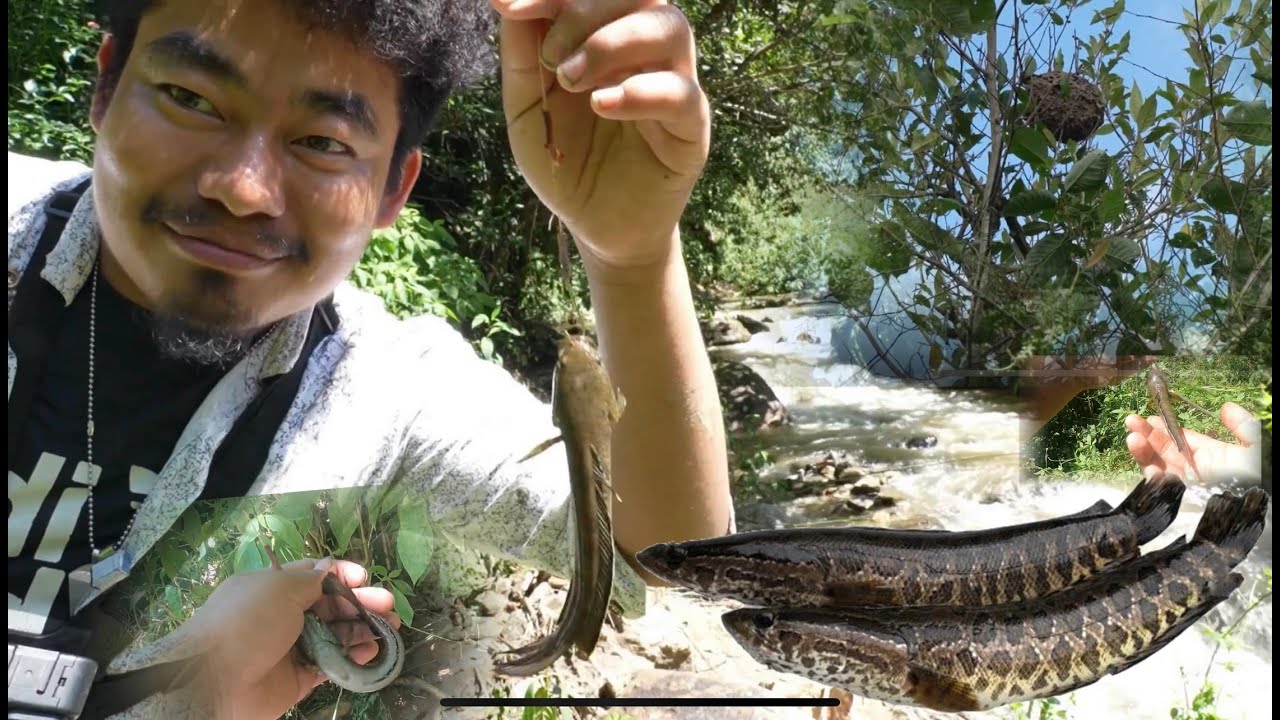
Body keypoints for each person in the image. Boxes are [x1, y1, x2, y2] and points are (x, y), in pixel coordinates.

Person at [7, 0, 732, 717]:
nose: (242, 188)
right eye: (190, 98)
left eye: (322, 142)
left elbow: (671, 556)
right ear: (105, 87)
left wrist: (633, 261)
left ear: (393, 191)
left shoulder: (385, 387)